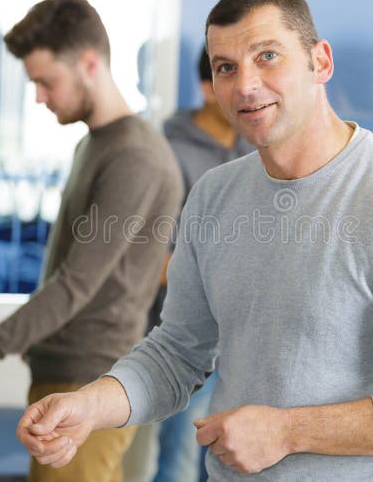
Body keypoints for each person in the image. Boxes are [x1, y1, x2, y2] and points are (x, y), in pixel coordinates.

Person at [16, 0, 373, 481]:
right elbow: (177, 353)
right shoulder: (213, 196)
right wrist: (92, 405)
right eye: (226, 67)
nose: (246, 85)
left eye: (267, 56)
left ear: (320, 63)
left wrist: (287, 431)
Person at [0, 0, 183, 482]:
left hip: (88, 382)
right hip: (67, 374)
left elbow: (75, 285)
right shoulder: (96, 144)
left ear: (88, 63)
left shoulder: (134, 157)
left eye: (45, 81)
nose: (39, 96)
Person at [154, 48, 254, 482]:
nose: (246, 91)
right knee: (178, 461)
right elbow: (152, 259)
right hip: (191, 342)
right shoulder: (168, 153)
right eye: (227, 75)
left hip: (247, 343)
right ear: (205, 88)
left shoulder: (255, 147)